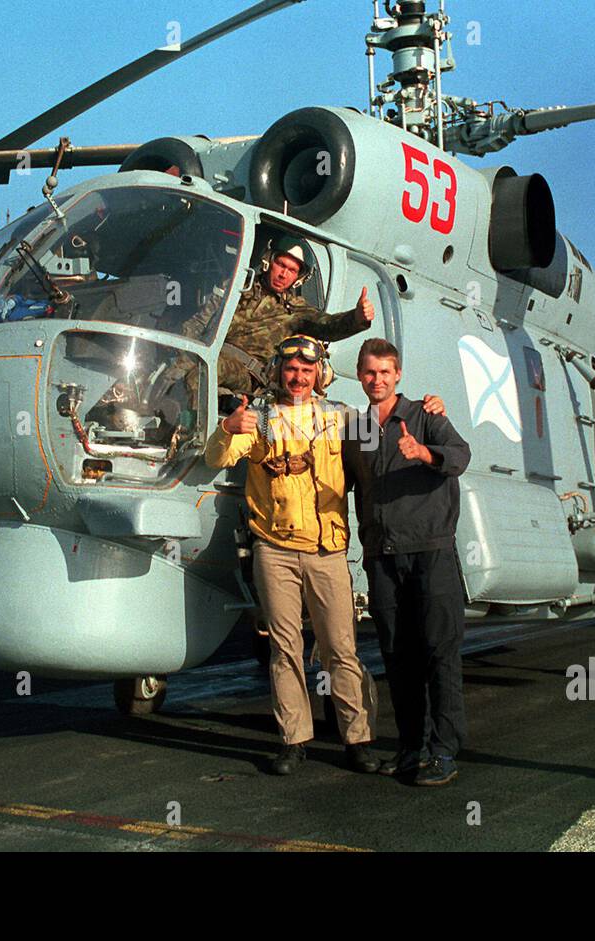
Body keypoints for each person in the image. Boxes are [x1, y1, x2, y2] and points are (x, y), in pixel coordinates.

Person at [204, 334, 379, 775]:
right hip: (275, 550)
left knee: (341, 648)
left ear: (319, 374)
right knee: (285, 649)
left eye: (306, 370)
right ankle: (293, 739)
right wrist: (226, 428)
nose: (298, 377)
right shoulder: (258, 419)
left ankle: (357, 740)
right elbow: (216, 459)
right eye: (290, 370)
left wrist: (423, 415)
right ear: (279, 373)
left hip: (327, 550)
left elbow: (383, 448)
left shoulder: (340, 417)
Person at [343, 339, 472, 785]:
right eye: (368, 372)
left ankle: (443, 751)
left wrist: (426, 454)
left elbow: (460, 456)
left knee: (440, 652)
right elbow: (341, 479)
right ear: (359, 375)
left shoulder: (425, 414)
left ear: (397, 375)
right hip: (382, 555)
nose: (376, 380)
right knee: (397, 656)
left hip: (430, 550)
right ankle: (409, 746)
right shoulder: (357, 427)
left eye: (384, 372)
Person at [181, 235, 374, 396]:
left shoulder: (295, 310)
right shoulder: (237, 287)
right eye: (281, 265)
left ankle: (188, 437)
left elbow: (328, 325)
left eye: (292, 270)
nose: (284, 274)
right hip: (208, 354)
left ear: (298, 278)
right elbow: (199, 322)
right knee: (173, 373)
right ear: (268, 261)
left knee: (204, 373)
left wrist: (356, 318)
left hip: (245, 374)